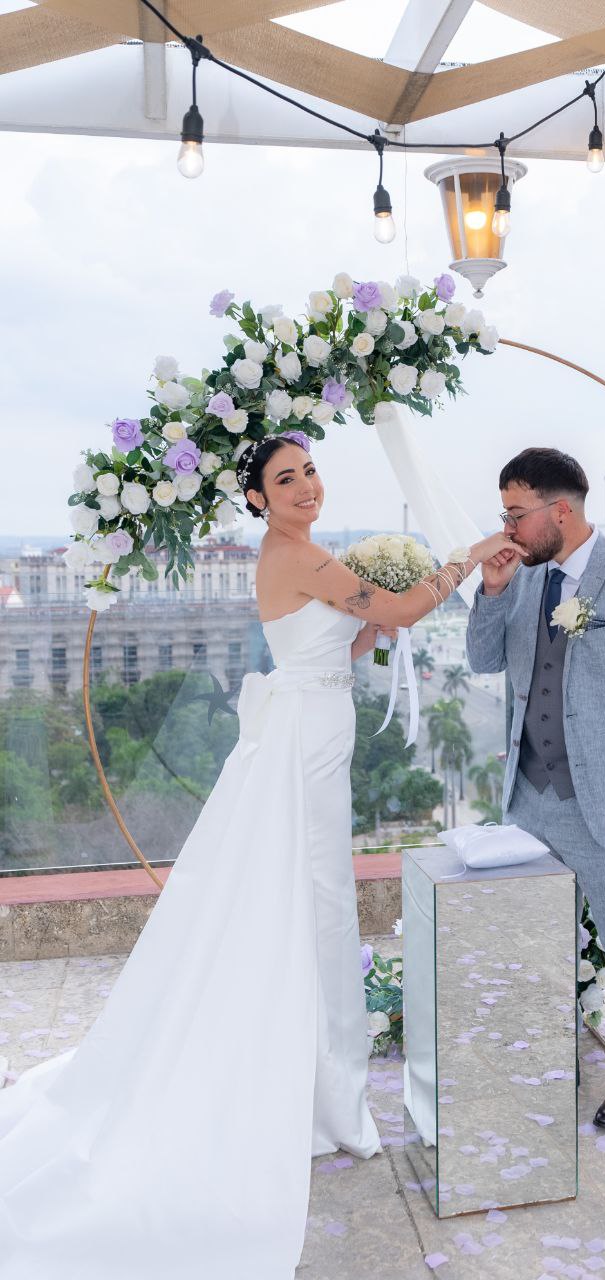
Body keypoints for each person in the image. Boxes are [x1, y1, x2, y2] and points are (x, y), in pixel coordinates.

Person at [0, 432, 515, 1280]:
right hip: (305, 748)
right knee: (311, 904)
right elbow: (396, 615)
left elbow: (348, 644)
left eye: (309, 470)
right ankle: (321, 1097)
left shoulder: (302, 556)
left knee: (313, 905)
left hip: (315, 732)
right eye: (286, 479)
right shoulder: (297, 556)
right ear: (257, 499)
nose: (306, 486)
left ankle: (322, 1085)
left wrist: (368, 616)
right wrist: (456, 559)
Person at [466, 447, 605, 1129]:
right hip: (531, 798)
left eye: (516, 515)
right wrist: (494, 590)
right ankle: (535, 1046)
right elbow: (482, 659)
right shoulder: (527, 579)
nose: (507, 529)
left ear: (558, 511)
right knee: (528, 934)